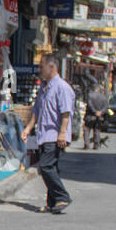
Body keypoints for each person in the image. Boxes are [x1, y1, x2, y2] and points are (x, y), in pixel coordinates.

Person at [19, 53, 74, 213]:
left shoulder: (62, 87)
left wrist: (62, 133)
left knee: (45, 166)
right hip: (43, 134)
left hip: (54, 135)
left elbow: (66, 113)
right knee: (52, 168)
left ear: (52, 67)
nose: (39, 70)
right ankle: (52, 202)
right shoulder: (44, 87)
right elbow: (36, 111)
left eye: (41, 66)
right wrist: (28, 129)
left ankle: (62, 197)